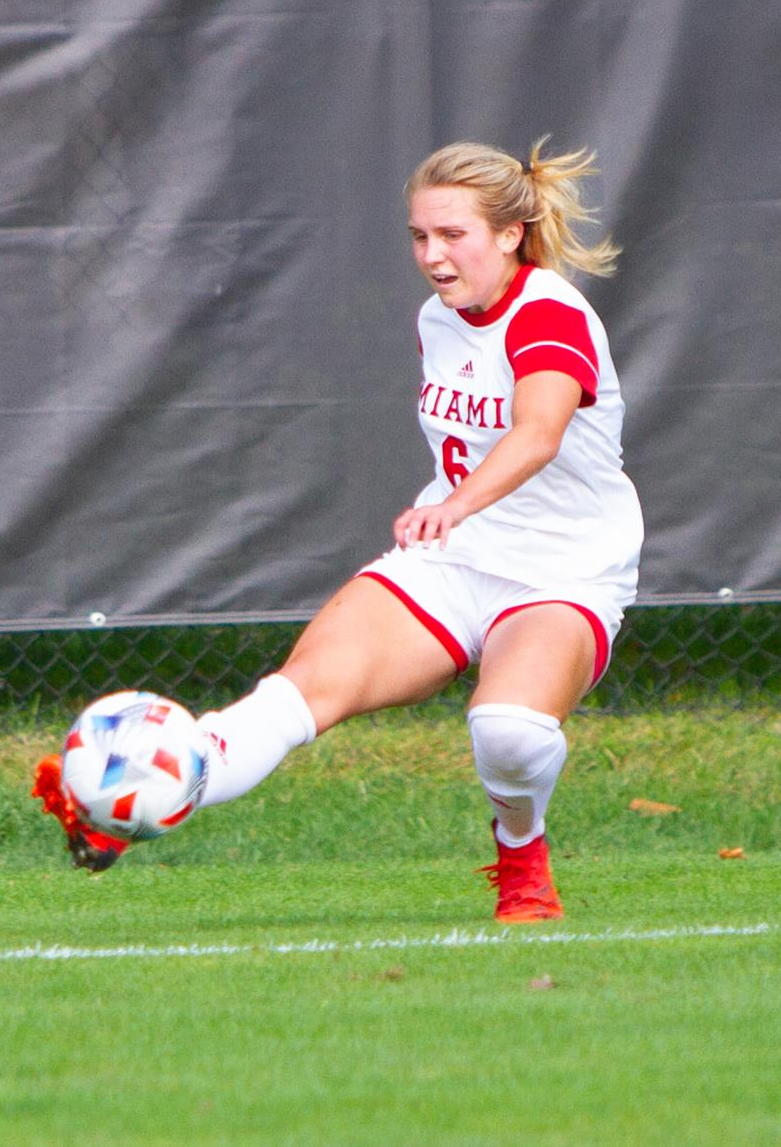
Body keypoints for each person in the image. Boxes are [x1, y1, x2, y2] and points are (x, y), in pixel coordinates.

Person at [33, 137, 642, 923]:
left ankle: (522, 857)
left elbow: (537, 433)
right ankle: (134, 796)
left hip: (562, 572)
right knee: (291, 698)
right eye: (420, 236)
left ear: (509, 235)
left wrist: (453, 506)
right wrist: (453, 523)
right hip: (455, 561)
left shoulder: (548, 313)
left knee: (509, 733)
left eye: (453, 234)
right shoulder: (441, 316)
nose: (432, 255)